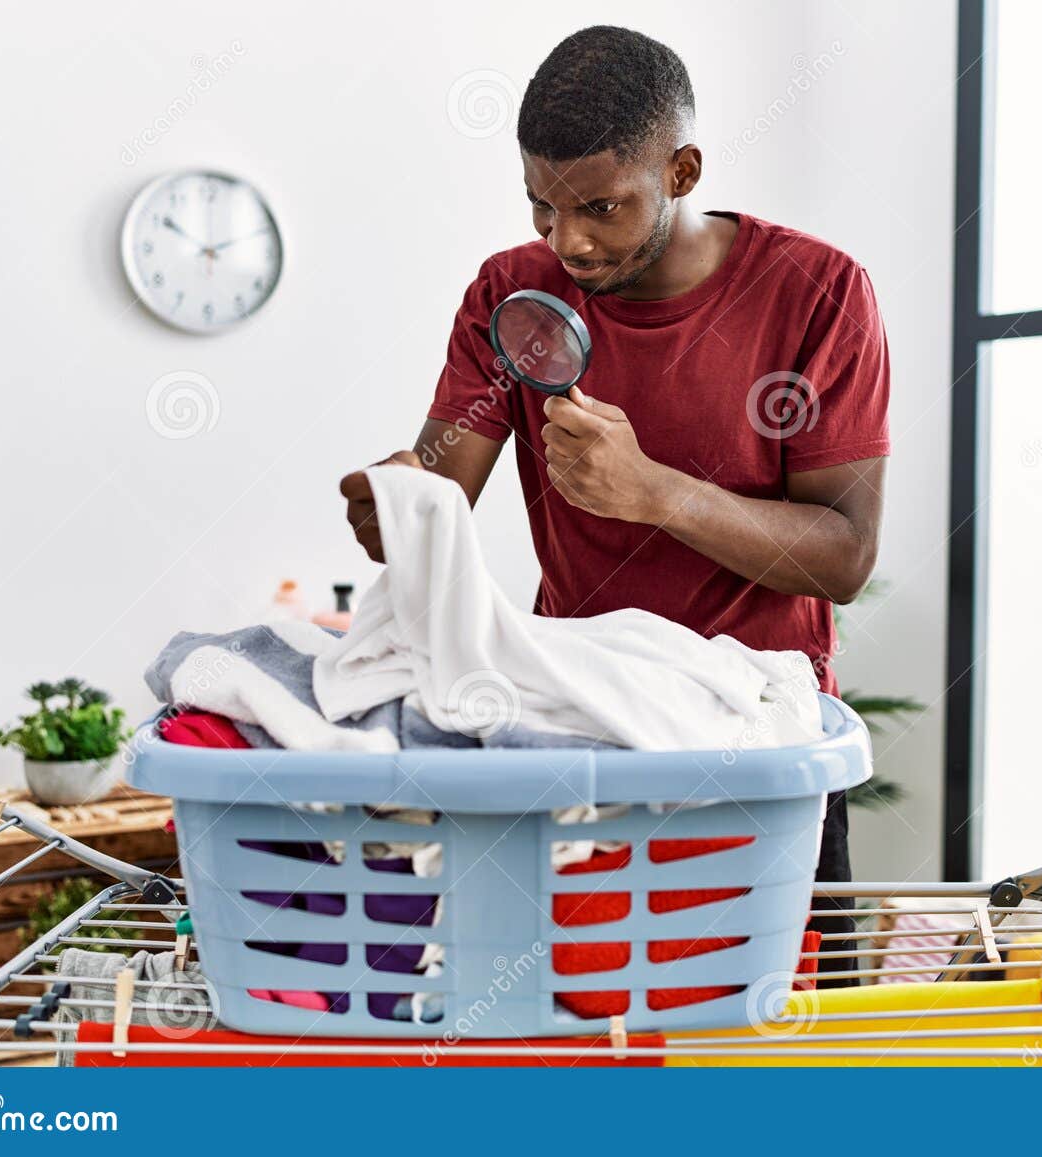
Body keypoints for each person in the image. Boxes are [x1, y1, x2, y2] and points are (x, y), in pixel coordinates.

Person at [341, 25, 890, 951]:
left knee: (784, 1044)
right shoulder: (511, 293)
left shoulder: (818, 291)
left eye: (601, 207)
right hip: (574, 737)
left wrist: (654, 492)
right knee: (580, 1028)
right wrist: (400, 503)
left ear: (681, 172)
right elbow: (443, 484)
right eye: (542, 208)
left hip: (762, 744)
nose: (571, 242)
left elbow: (843, 557)